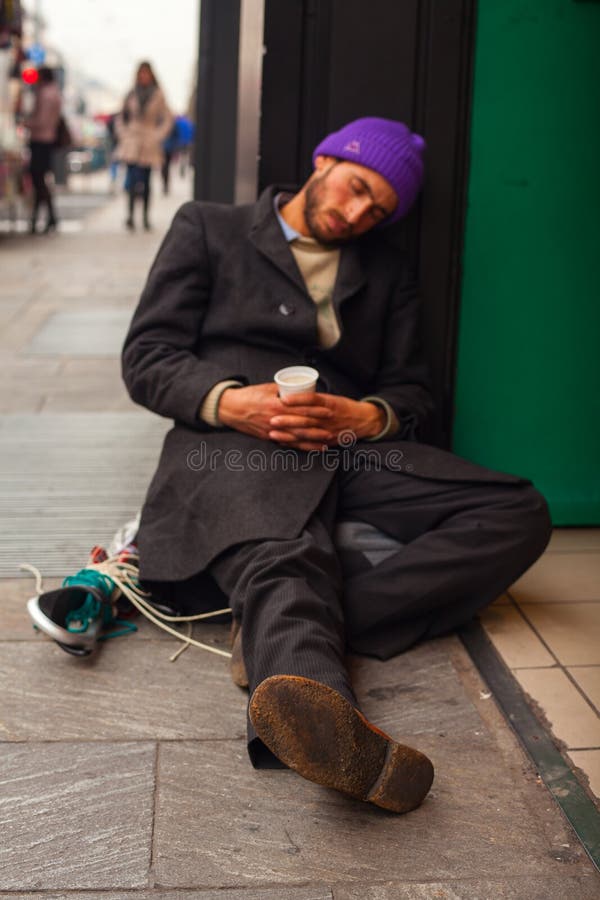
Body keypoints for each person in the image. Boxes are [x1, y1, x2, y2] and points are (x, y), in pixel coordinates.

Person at [122, 117, 551, 814]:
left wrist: (369, 415)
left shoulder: (385, 271)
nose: (356, 215)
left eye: (376, 210)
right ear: (324, 158)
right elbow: (146, 358)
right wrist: (232, 404)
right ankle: (320, 713)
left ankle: (276, 630)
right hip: (232, 444)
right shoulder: (208, 227)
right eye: (355, 188)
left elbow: (413, 390)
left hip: (347, 449)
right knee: (288, 558)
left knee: (518, 511)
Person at [115, 61, 172, 231]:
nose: (143, 76)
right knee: (132, 180)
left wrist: (157, 135)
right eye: (141, 73)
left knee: (146, 181)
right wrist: (124, 134)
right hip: (132, 141)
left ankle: (146, 217)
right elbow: (121, 117)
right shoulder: (131, 93)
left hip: (149, 141)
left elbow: (167, 118)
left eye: (146, 73)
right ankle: (131, 216)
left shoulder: (158, 94)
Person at [26, 65, 61, 234]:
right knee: (40, 181)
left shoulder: (46, 94)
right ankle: (46, 218)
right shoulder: (52, 91)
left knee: (39, 180)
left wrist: (25, 123)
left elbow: (42, 120)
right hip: (45, 140)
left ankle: (47, 218)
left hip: (42, 140)